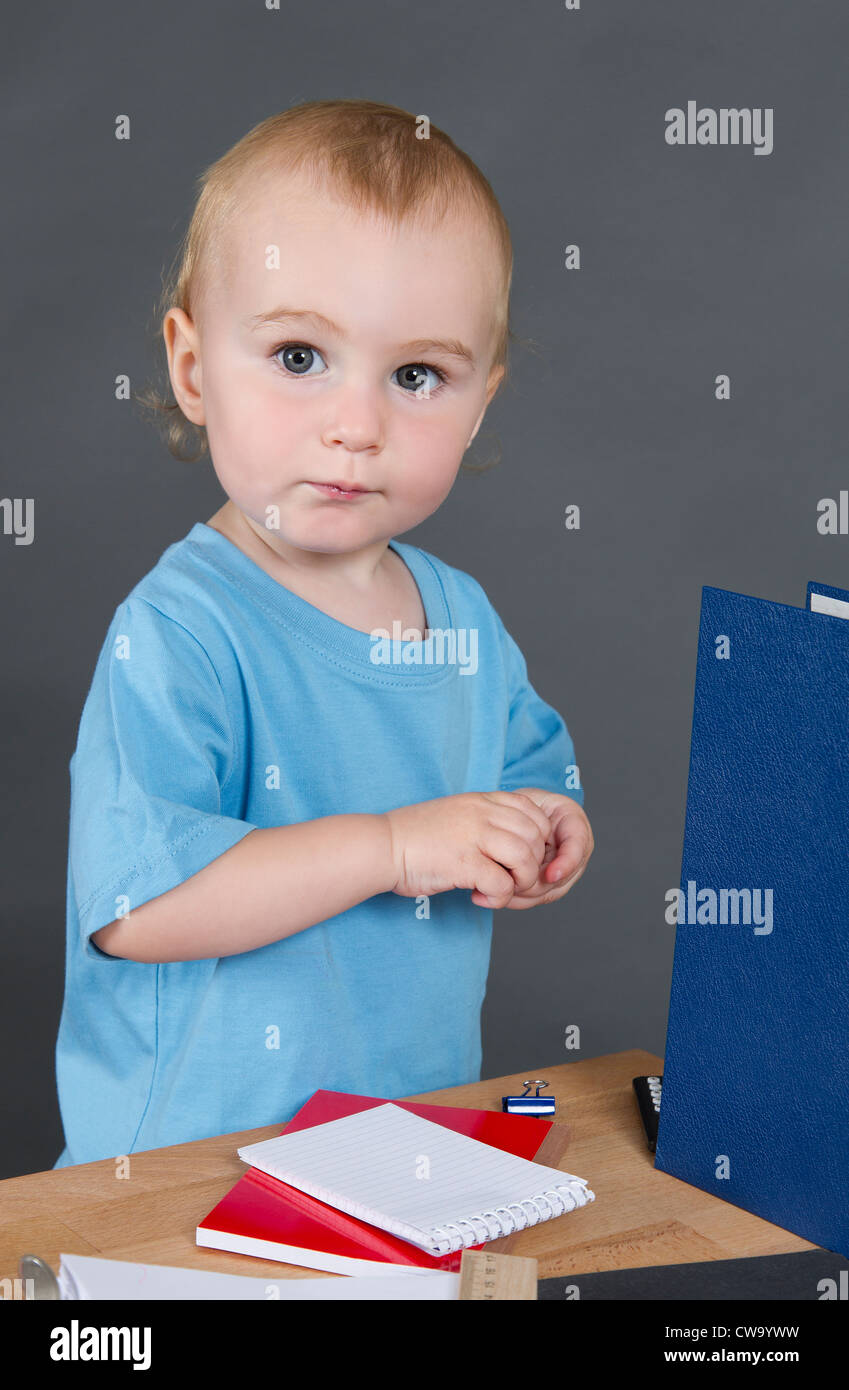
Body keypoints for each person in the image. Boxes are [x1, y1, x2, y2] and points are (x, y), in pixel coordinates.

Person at [53, 99, 594, 1168]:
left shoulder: (463, 622)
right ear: (195, 368)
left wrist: (546, 830)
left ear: (479, 402)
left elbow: (533, 771)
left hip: (395, 1155)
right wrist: (394, 846)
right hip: (186, 1179)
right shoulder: (180, 631)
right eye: (300, 356)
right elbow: (139, 908)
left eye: (416, 375)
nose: (357, 424)